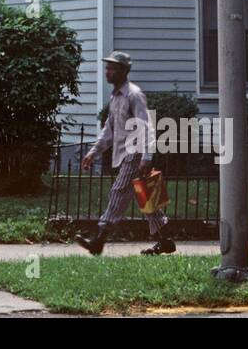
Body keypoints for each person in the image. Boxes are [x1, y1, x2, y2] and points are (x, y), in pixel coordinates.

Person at [75, 51, 175, 256]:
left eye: (112, 68)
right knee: (145, 197)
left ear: (124, 71)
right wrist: (93, 152)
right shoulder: (115, 97)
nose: (107, 71)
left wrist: (147, 156)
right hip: (125, 153)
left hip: (135, 153)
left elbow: (146, 127)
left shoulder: (134, 95)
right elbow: (109, 130)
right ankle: (166, 240)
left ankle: (98, 240)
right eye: (107, 67)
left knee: (118, 192)